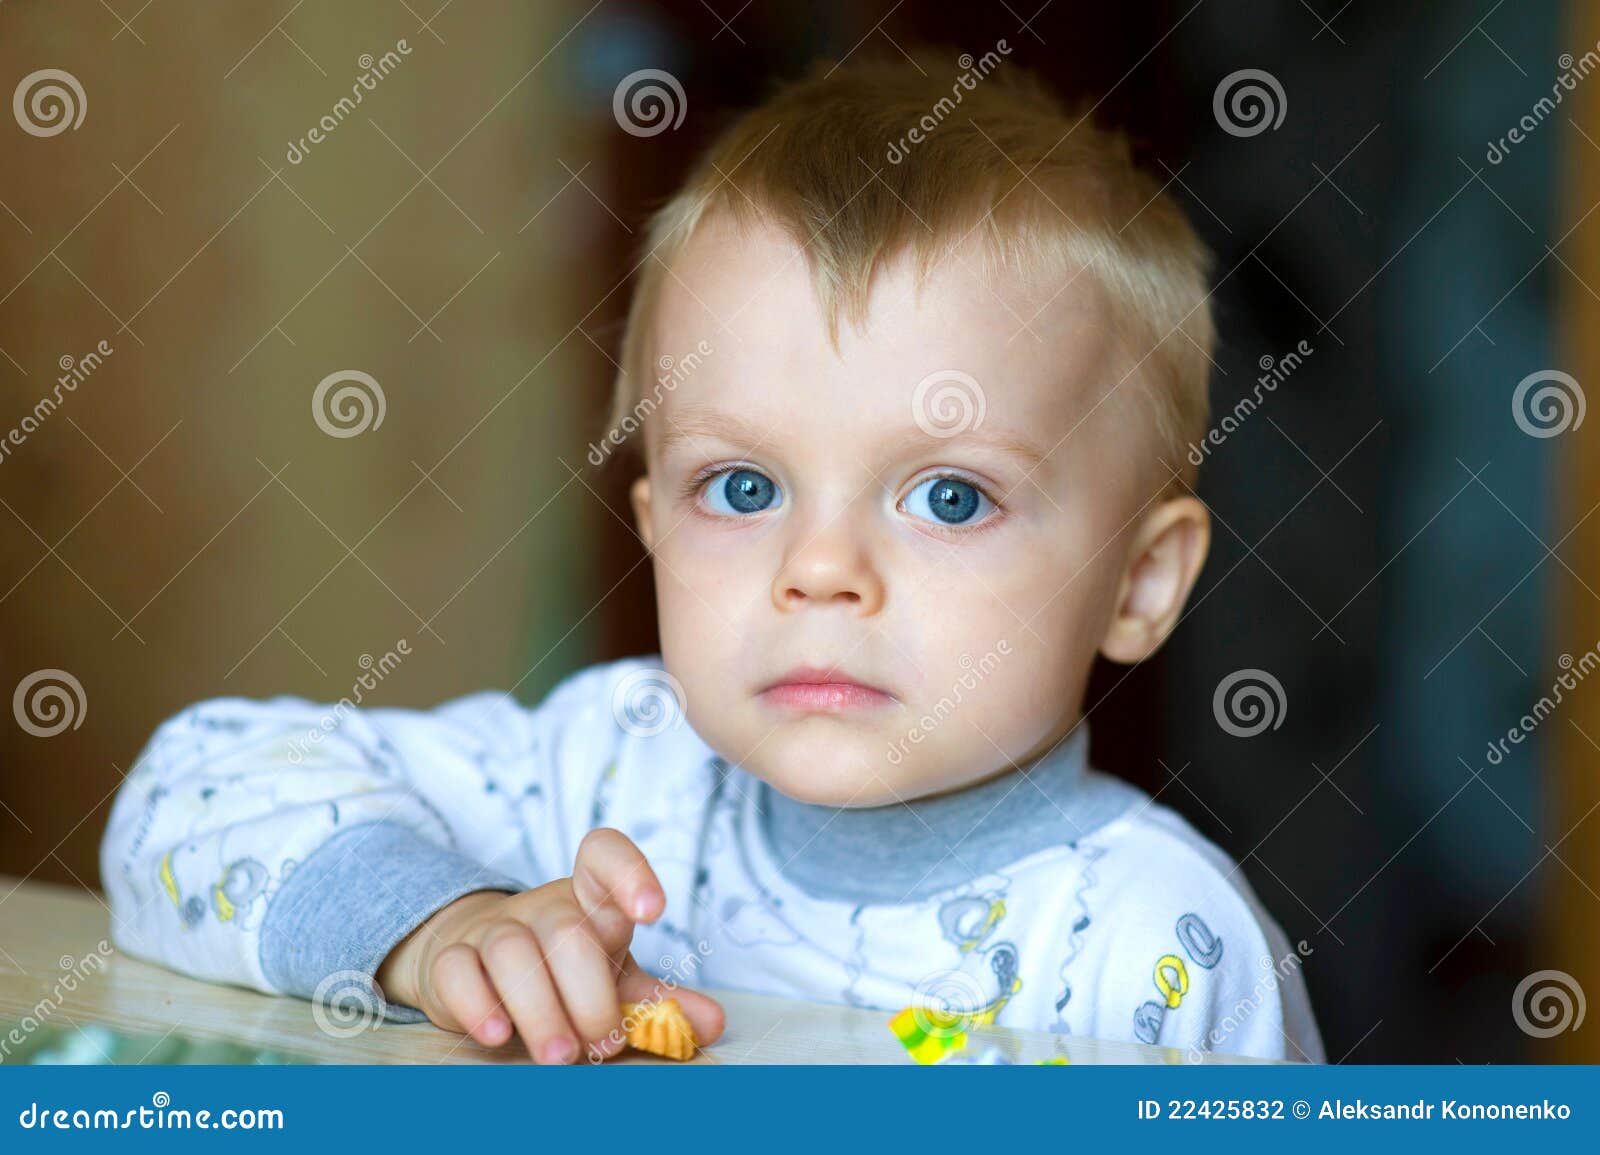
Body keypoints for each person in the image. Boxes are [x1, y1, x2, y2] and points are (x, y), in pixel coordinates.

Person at [101, 52, 1323, 1064]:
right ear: (652, 532)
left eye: (949, 496)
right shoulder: (605, 774)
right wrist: (439, 927)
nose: (820, 569)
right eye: (741, 488)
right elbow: (186, 797)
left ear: (1140, 582)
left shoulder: (1156, 954)